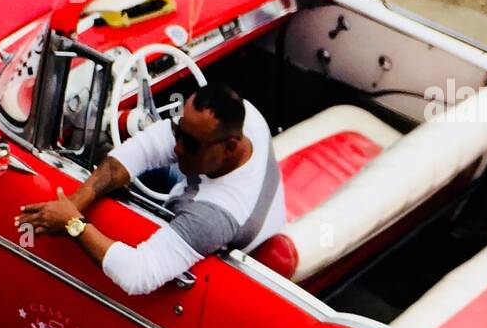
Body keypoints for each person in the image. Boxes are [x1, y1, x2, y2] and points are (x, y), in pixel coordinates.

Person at [16, 84, 285, 294]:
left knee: (101, 152)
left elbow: (137, 275)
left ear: (230, 146)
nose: (177, 146)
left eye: (189, 143)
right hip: (205, 193)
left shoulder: (212, 219)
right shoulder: (245, 118)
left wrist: (73, 223)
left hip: (203, 224)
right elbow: (146, 148)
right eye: (178, 131)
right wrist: (75, 201)